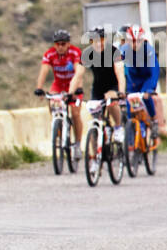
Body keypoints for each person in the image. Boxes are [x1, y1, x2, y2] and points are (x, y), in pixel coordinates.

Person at [32, 29, 85, 157]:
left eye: (63, 44)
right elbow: (43, 71)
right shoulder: (49, 54)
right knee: (52, 103)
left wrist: (75, 90)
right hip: (59, 84)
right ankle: (59, 128)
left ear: (68, 44)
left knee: (75, 113)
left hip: (74, 84)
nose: (60, 47)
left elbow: (78, 72)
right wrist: (39, 88)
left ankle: (77, 144)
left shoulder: (75, 52)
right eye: (57, 44)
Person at [118, 25, 165, 134]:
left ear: (143, 40)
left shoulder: (148, 50)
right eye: (132, 41)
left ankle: (154, 120)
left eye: (138, 41)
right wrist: (119, 89)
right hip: (133, 81)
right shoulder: (123, 50)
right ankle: (131, 142)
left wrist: (150, 89)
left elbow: (154, 71)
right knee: (130, 108)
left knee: (146, 98)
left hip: (147, 79)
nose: (135, 44)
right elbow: (117, 69)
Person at [81, 26, 127, 137]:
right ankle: (93, 152)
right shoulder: (87, 54)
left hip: (113, 86)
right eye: (95, 41)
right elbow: (78, 75)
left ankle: (118, 127)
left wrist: (121, 92)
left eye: (101, 40)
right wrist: (74, 91)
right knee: (95, 121)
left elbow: (120, 74)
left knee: (110, 100)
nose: (98, 44)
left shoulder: (114, 52)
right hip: (97, 88)